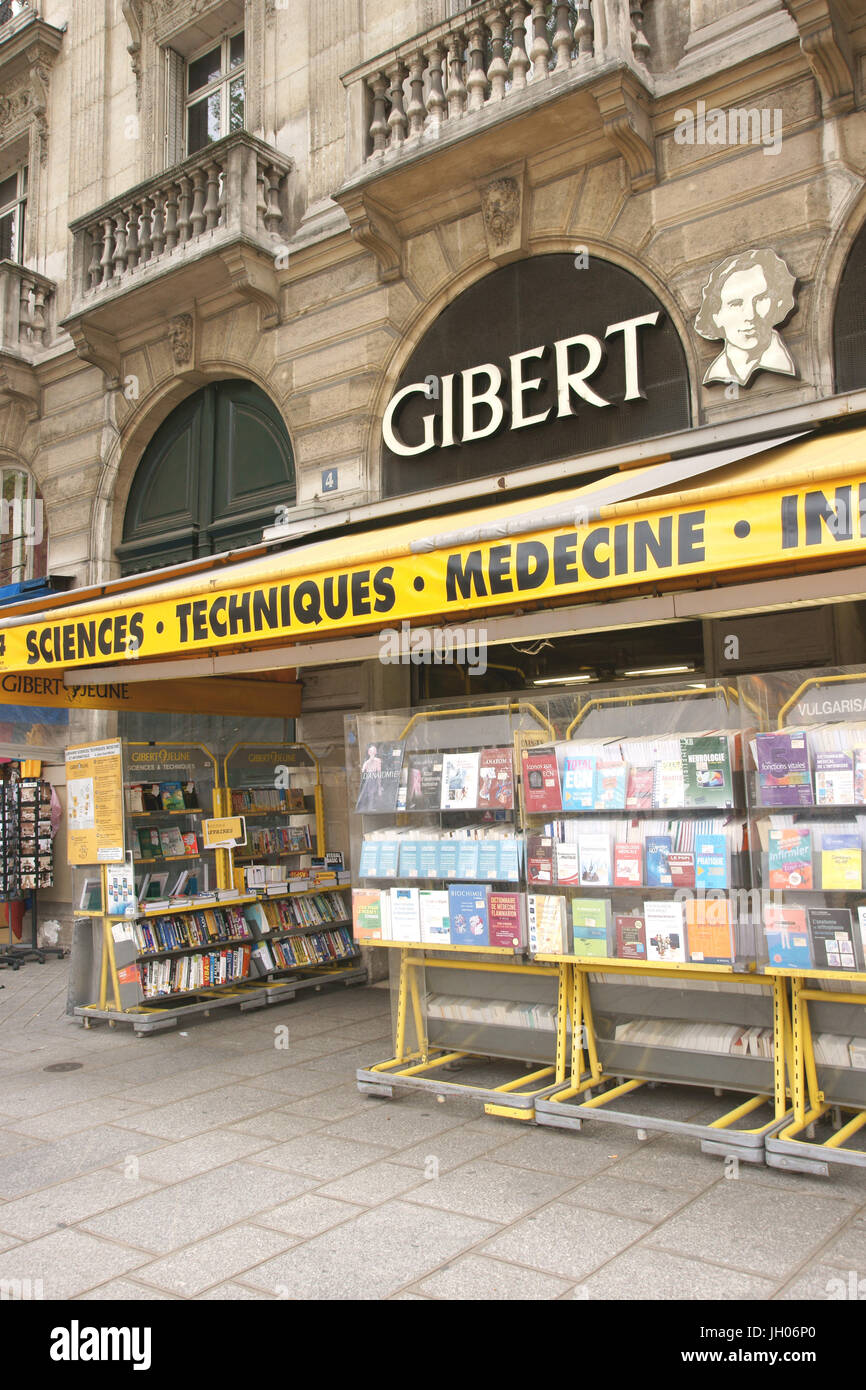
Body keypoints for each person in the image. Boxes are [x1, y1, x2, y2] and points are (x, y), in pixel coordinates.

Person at [695, 248, 797, 387]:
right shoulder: (715, 374)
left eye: (760, 299)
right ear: (716, 315)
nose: (750, 315)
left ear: (777, 303)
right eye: (736, 304)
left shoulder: (783, 363)